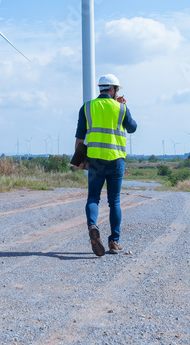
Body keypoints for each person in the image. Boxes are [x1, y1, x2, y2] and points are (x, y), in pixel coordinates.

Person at [75, 73, 136, 257]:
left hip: (94, 161)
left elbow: (79, 137)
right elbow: (132, 128)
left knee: (93, 198)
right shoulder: (121, 109)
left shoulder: (87, 108)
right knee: (114, 201)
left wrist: (79, 161)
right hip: (116, 160)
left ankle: (92, 225)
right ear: (112, 89)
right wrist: (124, 106)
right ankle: (114, 241)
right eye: (116, 89)